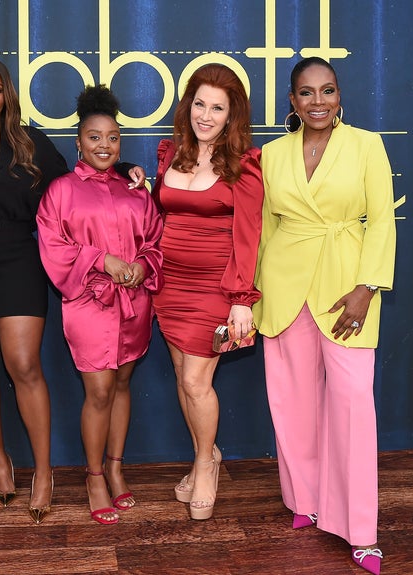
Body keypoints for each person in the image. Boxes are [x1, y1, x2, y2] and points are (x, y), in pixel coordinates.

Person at [0, 56, 145, 524]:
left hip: (19, 264)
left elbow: (85, 174)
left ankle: (43, 472)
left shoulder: (32, 145)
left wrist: (125, 166)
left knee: (24, 366)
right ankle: (0, 462)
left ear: (8, 95)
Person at [254, 56, 396, 575]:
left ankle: (362, 531)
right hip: (285, 284)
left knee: (354, 403)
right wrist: (255, 295)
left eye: (328, 90)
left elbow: (382, 221)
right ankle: (305, 500)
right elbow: (265, 230)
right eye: (307, 93)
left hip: (346, 287)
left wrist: (366, 288)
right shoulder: (271, 154)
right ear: (291, 102)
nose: (318, 101)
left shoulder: (366, 145)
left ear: (340, 97)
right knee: (292, 401)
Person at [36, 85, 163, 525]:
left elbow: (154, 240)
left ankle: (115, 466)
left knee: (123, 385)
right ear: (78, 142)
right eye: (94, 137)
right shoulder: (61, 192)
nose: (104, 145)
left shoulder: (136, 190)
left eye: (112, 138)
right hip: (88, 303)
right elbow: (54, 248)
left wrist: (143, 267)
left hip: (134, 304)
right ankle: (93, 476)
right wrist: (102, 260)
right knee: (100, 390)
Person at [151, 64, 263, 521]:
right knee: (183, 377)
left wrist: (241, 299)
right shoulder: (169, 155)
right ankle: (209, 452)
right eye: (200, 103)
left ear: (231, 115)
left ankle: (204, 466)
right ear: (188, 105)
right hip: (170, 285)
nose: (206, 114)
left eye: (218, 107)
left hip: (215, 287)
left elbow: (249, 234)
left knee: (198, 382)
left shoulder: (245, 165)